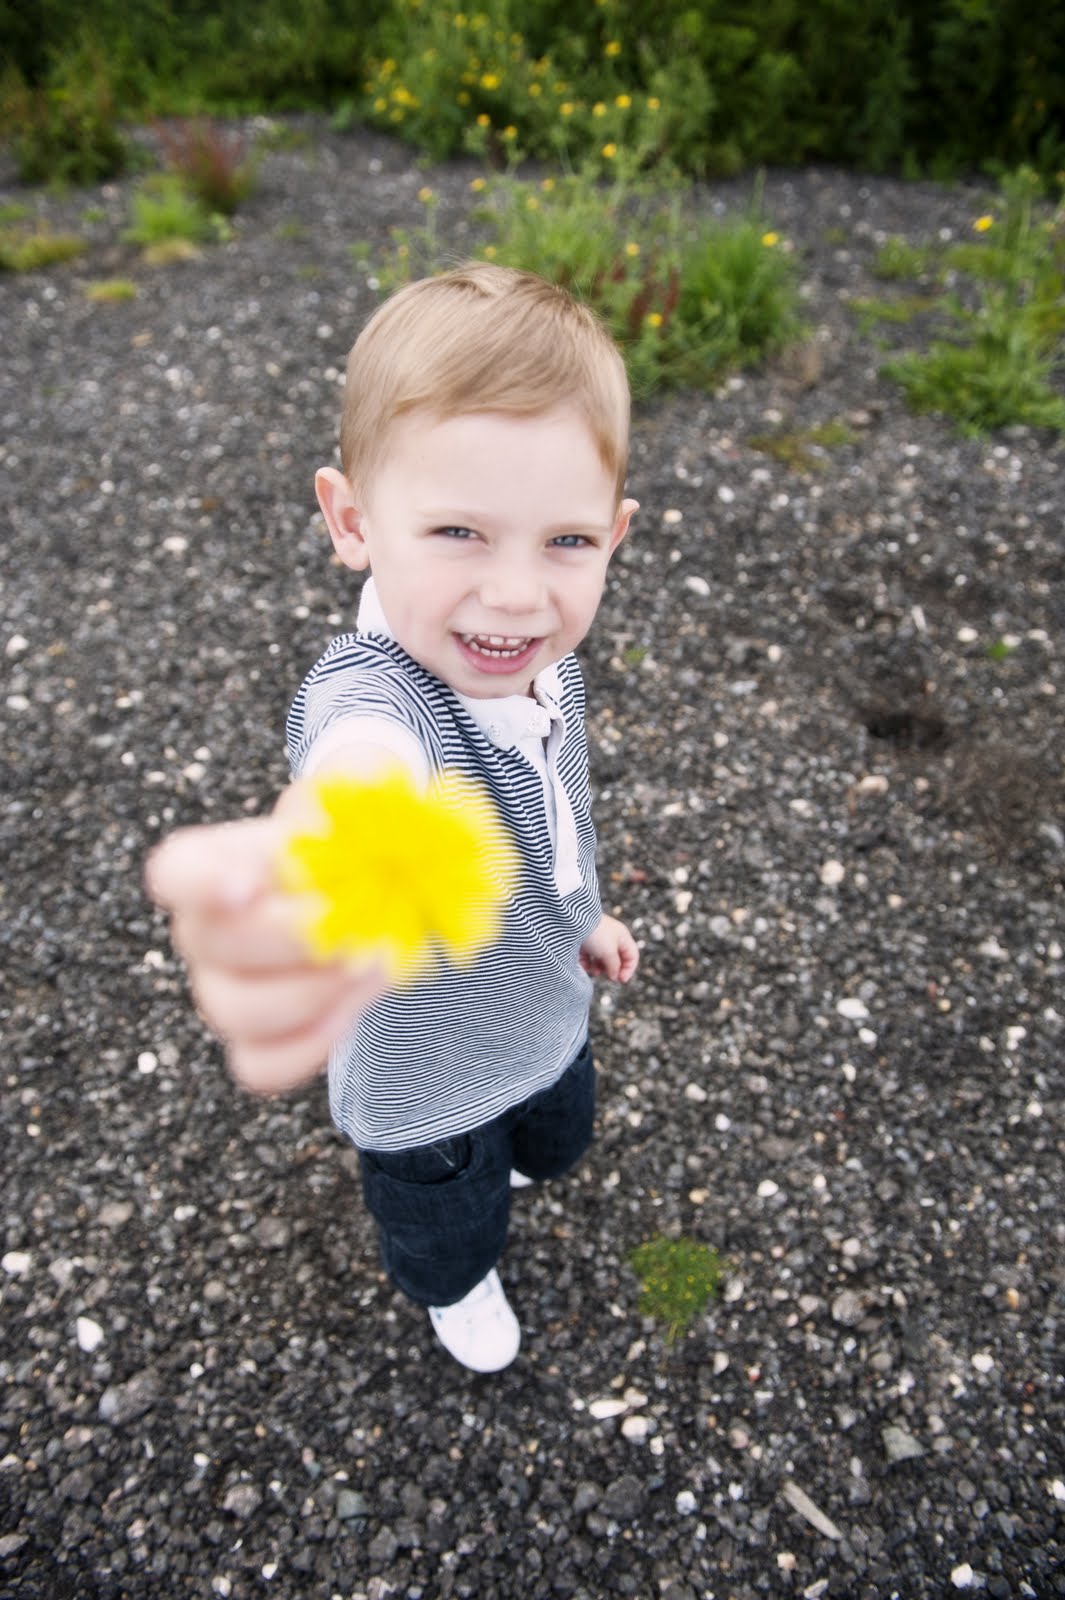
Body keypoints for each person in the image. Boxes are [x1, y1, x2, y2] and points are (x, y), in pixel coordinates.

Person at [146, 263, 640, 1373]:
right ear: (353, 520)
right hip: (426, 1071)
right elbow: (360, 773)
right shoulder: (378, 695)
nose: (517, 593)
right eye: (459, 531)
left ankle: (514, 1159)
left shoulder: (544, 670)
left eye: (565, 541)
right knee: (447, 1217)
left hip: (546, 1000)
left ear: (615, 534)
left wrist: (586, 916)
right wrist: (321, 861)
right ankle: (456, 1286)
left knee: (553, 1140)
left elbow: (558, 821)